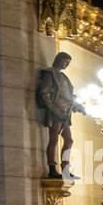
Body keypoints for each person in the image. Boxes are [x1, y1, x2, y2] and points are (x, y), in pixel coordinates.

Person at [35, 52, 84, 181]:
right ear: (59, 60)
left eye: (68, 63)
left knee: (69, 141)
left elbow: (68, 97)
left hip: (65, 113)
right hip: (56, 113)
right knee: (54, 140)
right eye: (65, 62)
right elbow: (45, 93)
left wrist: (78, 107)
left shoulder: (64, 77)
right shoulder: (50, 74)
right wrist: (54, 109)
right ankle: (52, 168)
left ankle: (66, 168)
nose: (67, 65)